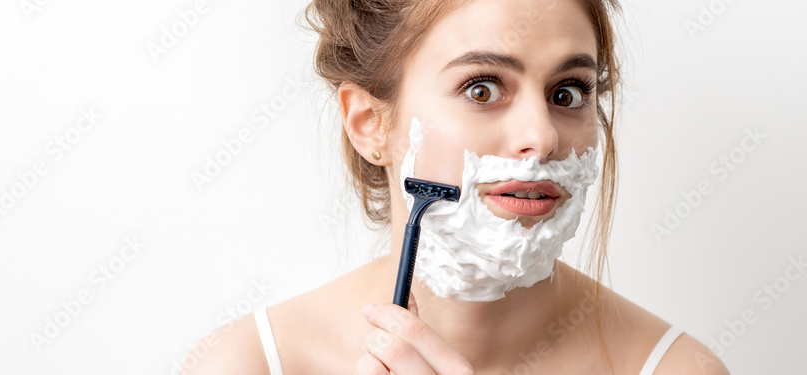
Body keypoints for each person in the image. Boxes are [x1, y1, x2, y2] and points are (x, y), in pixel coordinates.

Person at [183, 0, 730, 373]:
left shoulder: (678, 368)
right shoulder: (246, 362)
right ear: (370, 123)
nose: (540, 137)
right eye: (483, 88)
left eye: (567, 93)